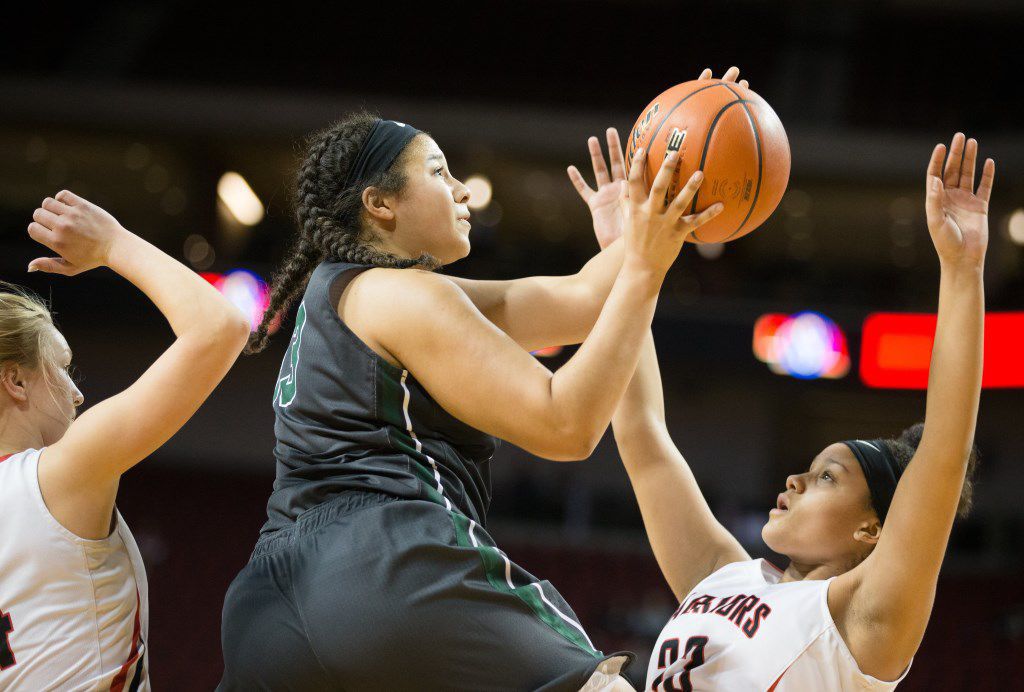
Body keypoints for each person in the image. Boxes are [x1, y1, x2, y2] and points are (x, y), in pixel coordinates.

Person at [218, 69, 748, 691]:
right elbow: (565, 424)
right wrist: (644, 268)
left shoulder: (343, 295)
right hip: (390, 570)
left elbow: (580, 300)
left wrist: (637, 237)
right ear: (379, 204)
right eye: (440, 172)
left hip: (267, 607)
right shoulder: (405, 296)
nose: (464, 189)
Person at [607, 132, 992, 690]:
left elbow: (944, 452)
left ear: (873, 528)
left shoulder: (862, 622)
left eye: (825, 478)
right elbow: (643, 435)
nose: (793, 479)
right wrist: (626, 257)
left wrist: (963, 269)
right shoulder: (725, 577)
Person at [0, 191, 250, 689]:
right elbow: (221, 327)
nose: (75, 394)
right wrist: (112, 243)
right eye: (62, 368)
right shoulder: (58, 476)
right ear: (17, 381)